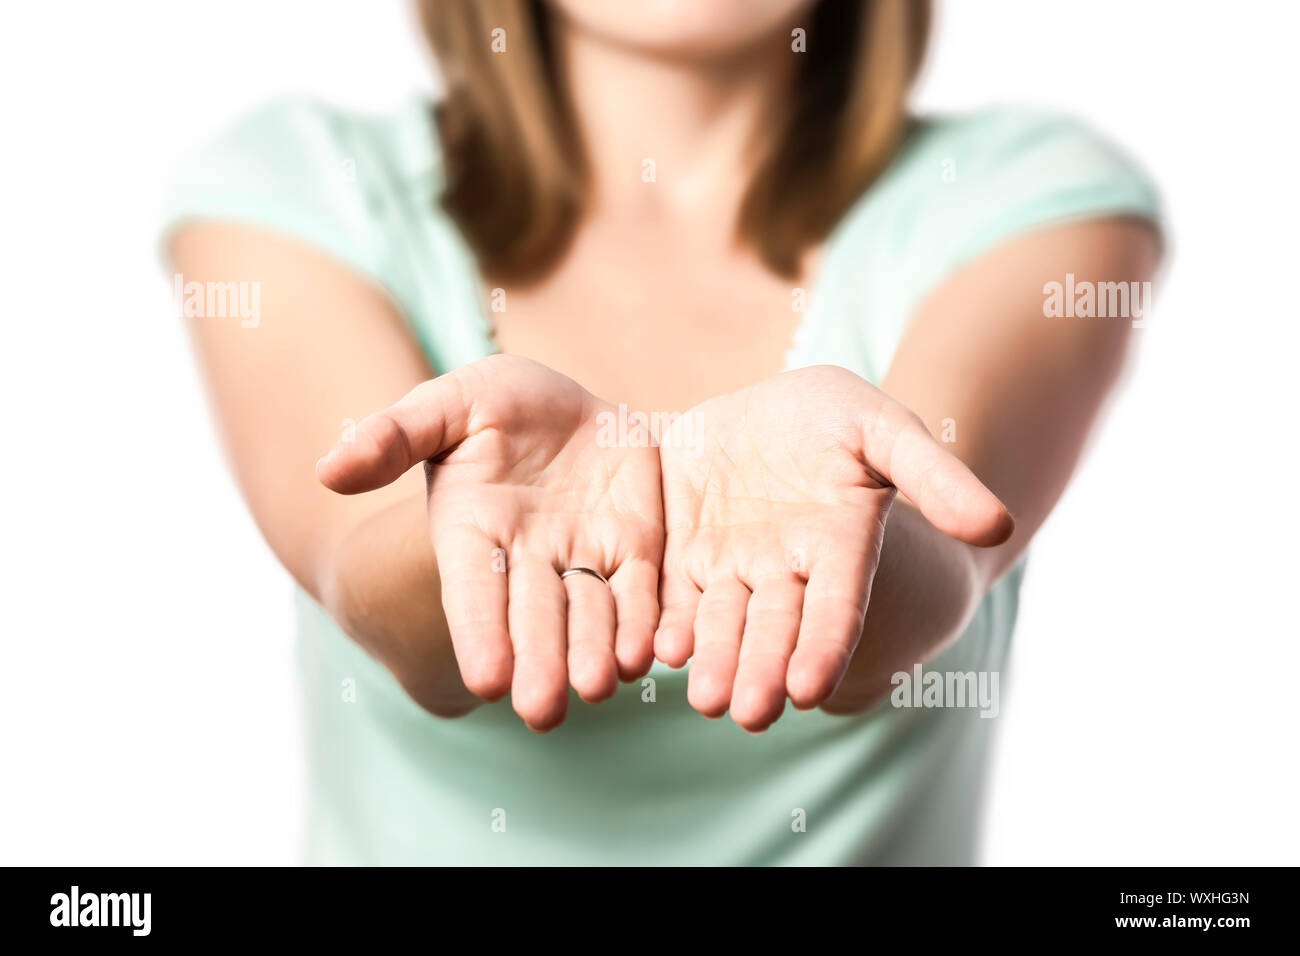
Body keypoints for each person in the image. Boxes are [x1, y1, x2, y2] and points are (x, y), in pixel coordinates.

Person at [163, 0, 1162, 864]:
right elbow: (370, 581)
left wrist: (854, 533)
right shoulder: (303, 181)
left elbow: (935, 572)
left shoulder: (1026, 193)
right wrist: (466, 542)